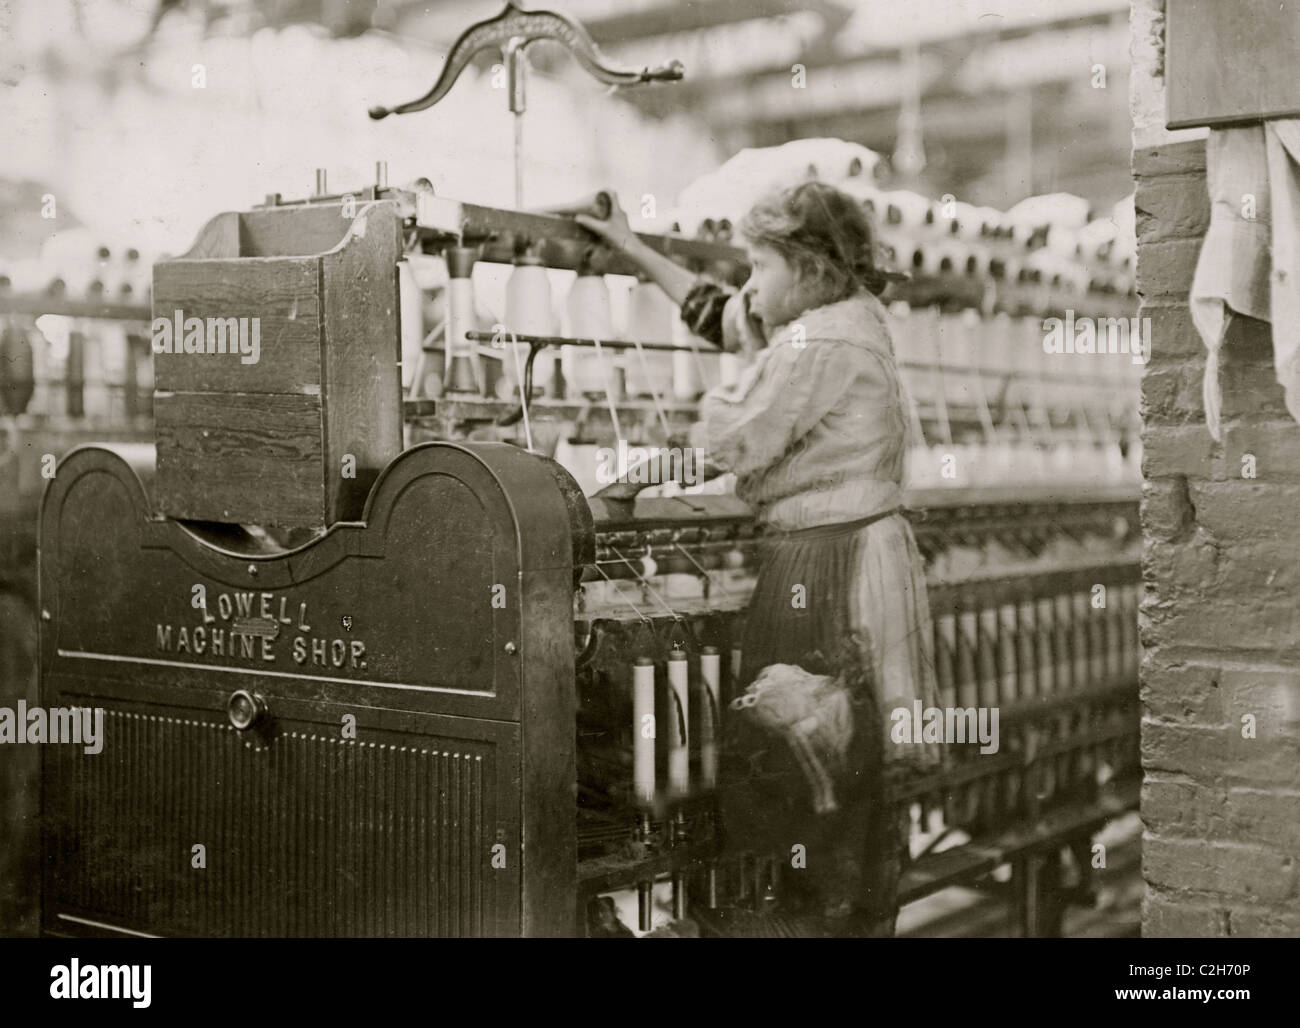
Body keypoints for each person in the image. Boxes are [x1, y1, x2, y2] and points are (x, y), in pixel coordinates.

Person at [577, 181, 940, 937]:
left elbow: (727, 444)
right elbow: (730, 318)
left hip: (828, 567)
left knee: (804, 757)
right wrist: (633, 247)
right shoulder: (841, 318)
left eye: (759, 265)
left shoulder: (824, 342)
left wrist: (622, 482)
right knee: (835, 772)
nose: (750, 285)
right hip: (848, 555)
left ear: (807, 268)